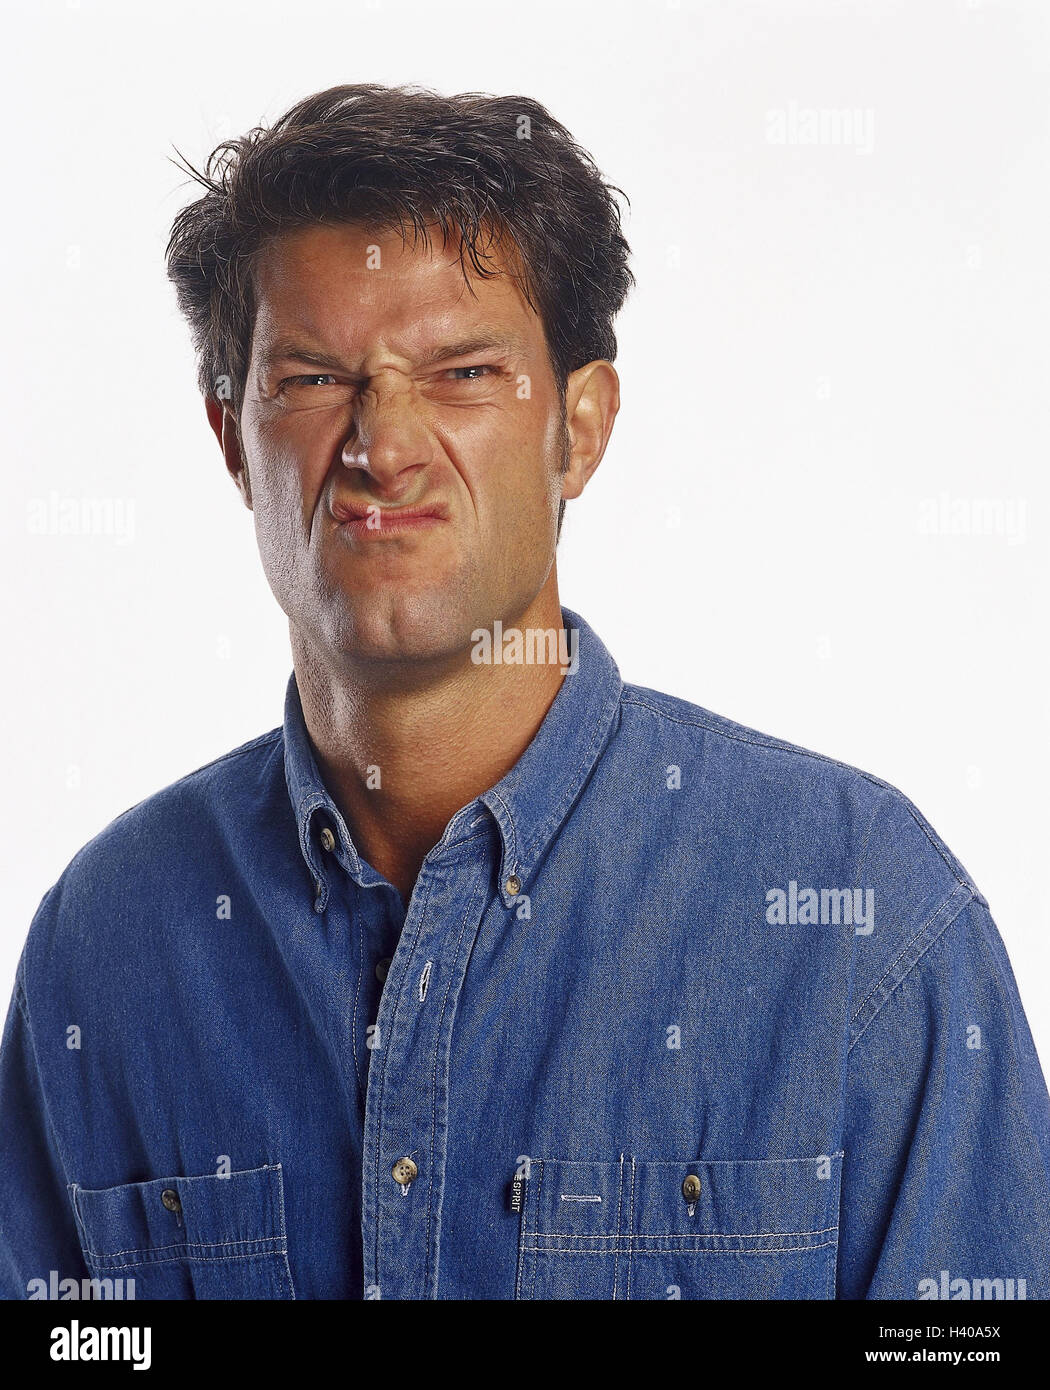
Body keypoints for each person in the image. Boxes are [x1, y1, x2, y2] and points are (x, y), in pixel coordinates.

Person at [1, 84, 1047, 1302]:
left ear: (581, 431)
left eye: (461, 372)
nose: (381, 445)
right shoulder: (109, 947)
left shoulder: (863, 913)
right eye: (314, 378)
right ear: (232, 436)